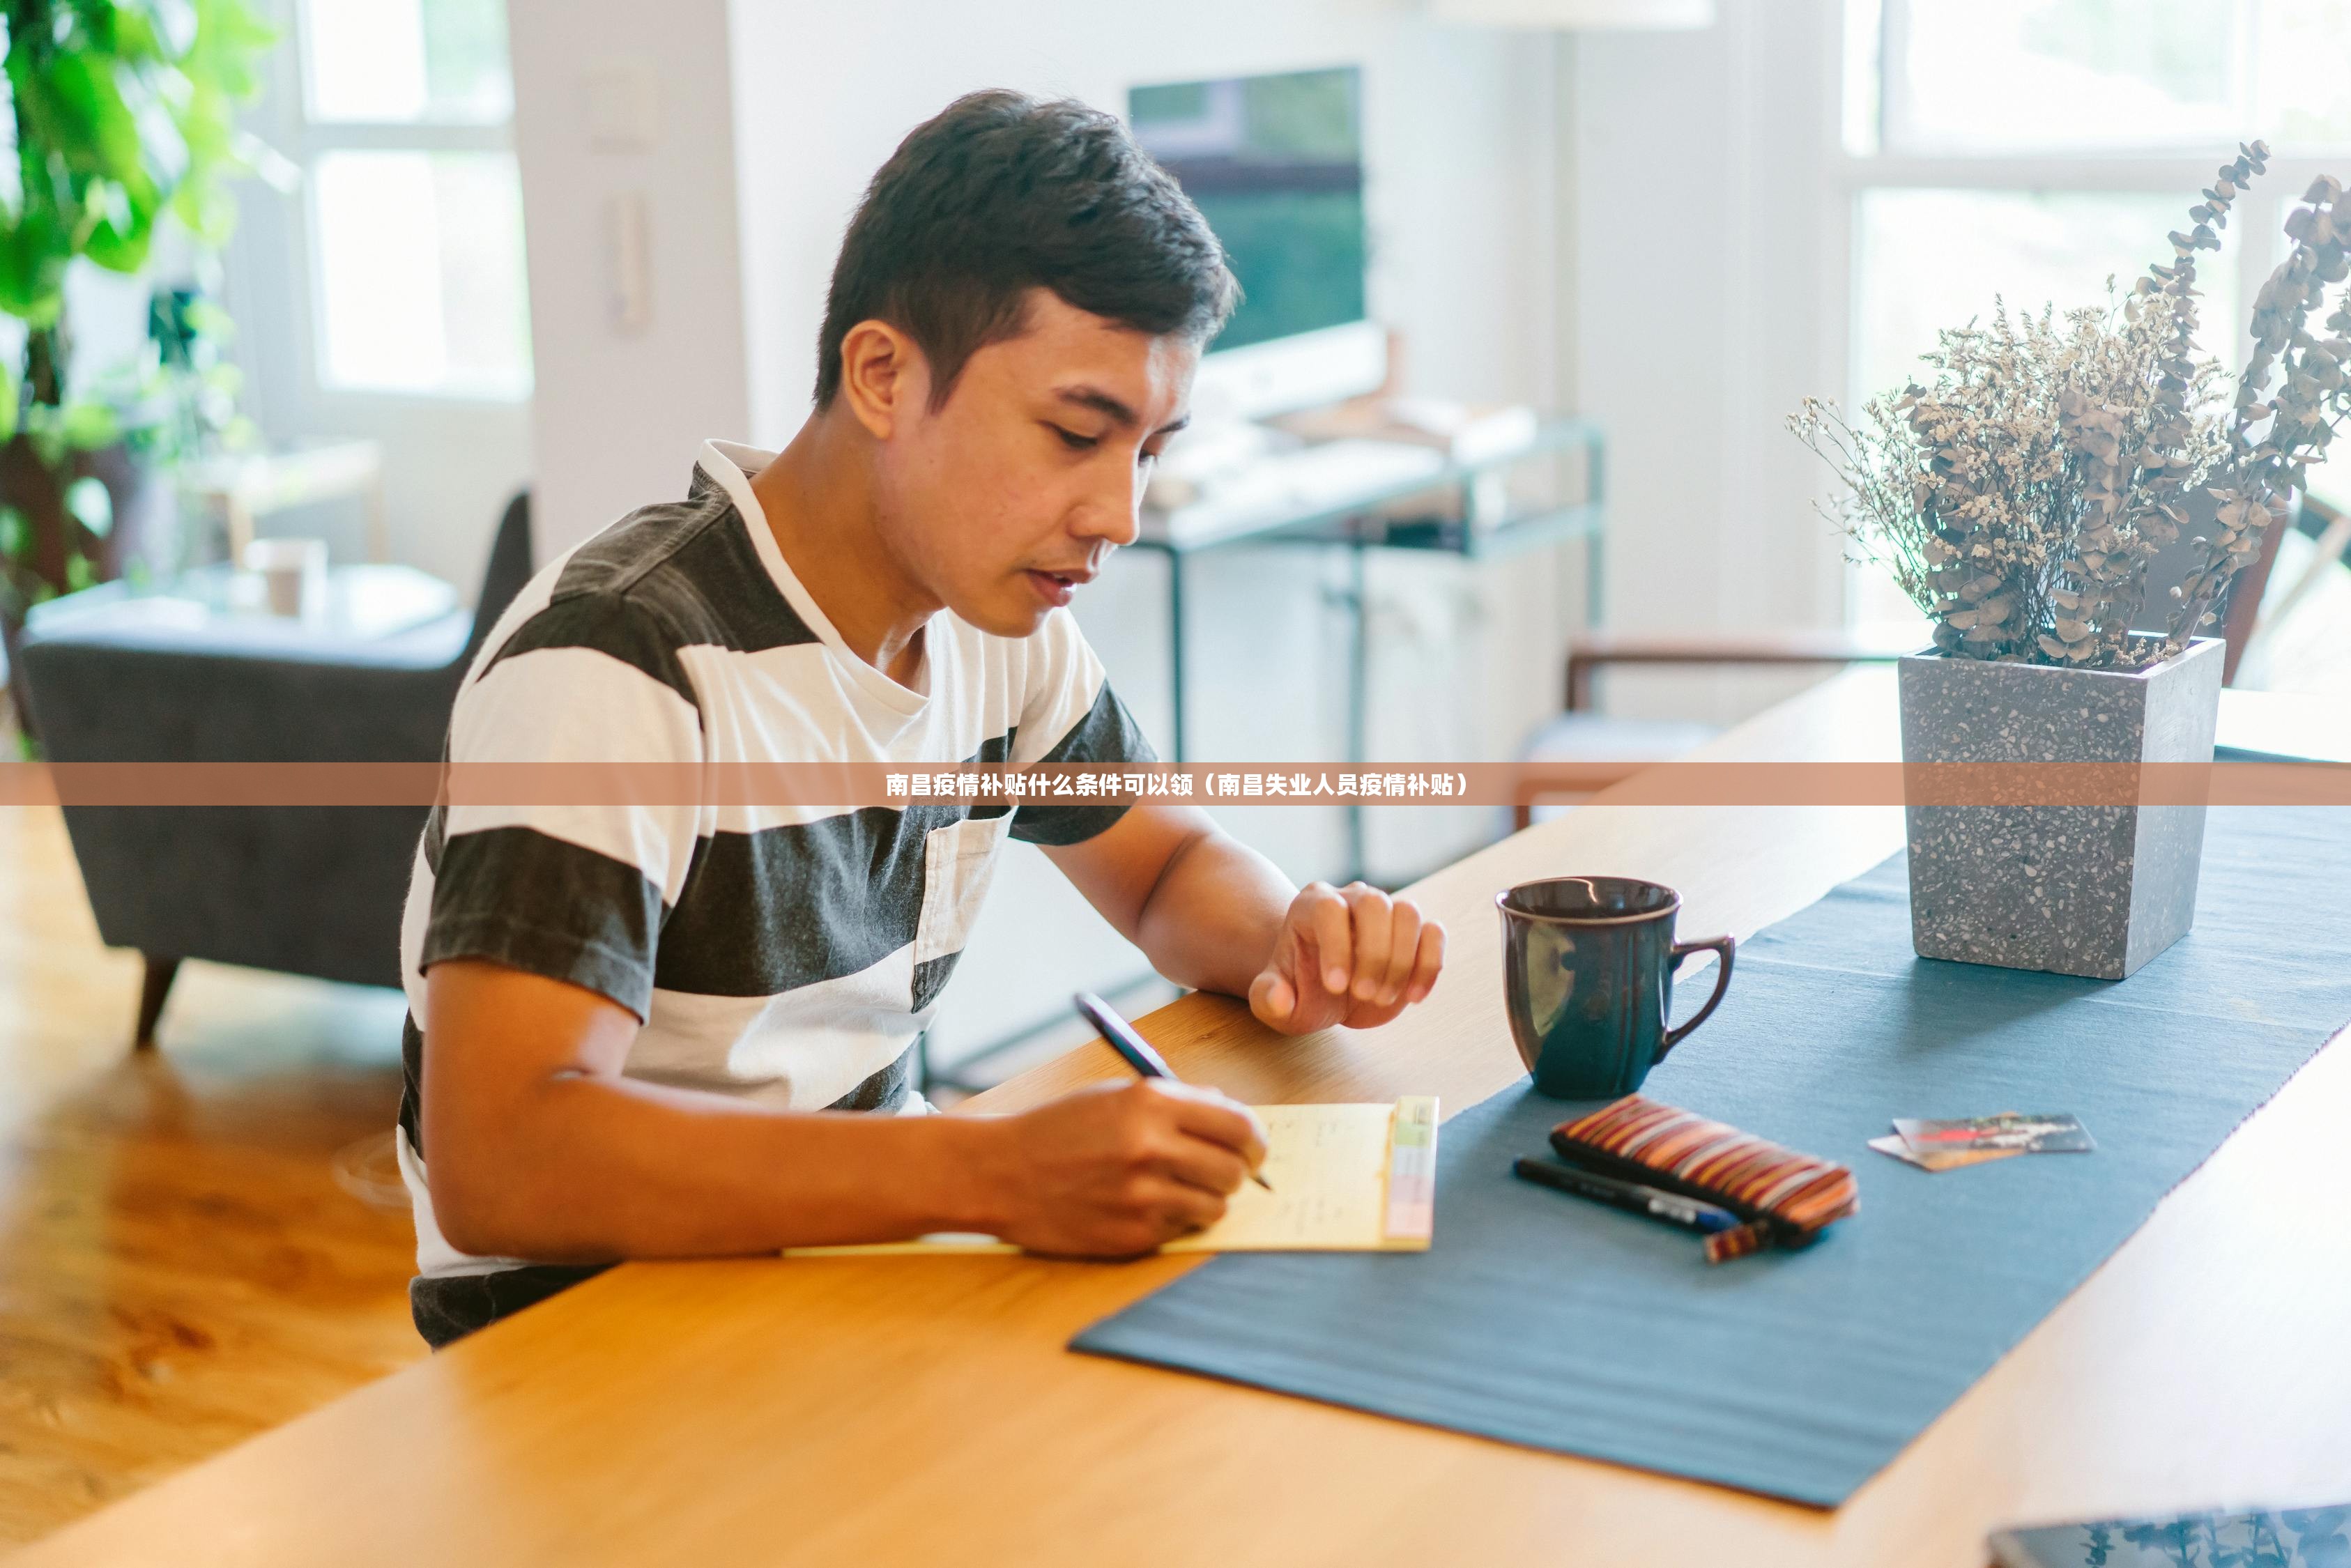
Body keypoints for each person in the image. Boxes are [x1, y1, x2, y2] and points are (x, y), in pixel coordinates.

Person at [399, 89, 1448, 1347]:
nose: (1117, 512)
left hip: (846, 1278)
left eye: (1151, 452)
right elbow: (505, 1155)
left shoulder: (995, 637)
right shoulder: (620, 664)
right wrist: (989, 1172)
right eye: (1075, 433)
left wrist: (1294, 936)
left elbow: (1165, 863)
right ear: (884, 374)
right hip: (589, 1330)